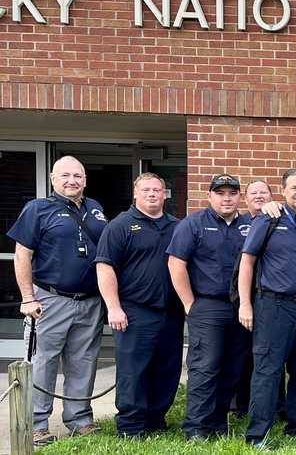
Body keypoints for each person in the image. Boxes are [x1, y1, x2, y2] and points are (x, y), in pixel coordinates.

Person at [7, 156, 107, 446]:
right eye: (65, 175)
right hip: (51, 300)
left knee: (84, 361)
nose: (71, 180)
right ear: (53, 179)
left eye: (77, 175)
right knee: (44, 362)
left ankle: (79, 419)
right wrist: (27, 297)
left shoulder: (96, 209)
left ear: (85, 180)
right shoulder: (38, 209)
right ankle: (36, 424)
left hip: (90, 301)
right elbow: (22, 254)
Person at [238, 168, 296, 447]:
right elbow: (247, 261)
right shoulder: (269, 218)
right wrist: (245, 304)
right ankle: (257, 435)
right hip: (274, 306)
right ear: (284, 191)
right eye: (294, 188)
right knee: (268, 371)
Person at [94, 172, 182, 438]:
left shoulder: (177, 226)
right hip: (134, 311)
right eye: (146, 190)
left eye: (157, 190)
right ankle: (131, 427)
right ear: (135, 193)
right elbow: (104, 266)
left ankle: (156, 421)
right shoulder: (120, 225)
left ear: (164, 194)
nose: (152, 194)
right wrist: (114, 307)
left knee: (167, 368)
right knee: (134, 372)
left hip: (172, 312)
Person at [167, 174, 253, 440]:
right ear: (209, 196)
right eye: (220, 193)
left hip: (240, 308)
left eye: (232, 193)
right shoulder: (193, 224)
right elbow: (176, 264)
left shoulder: (250, 224)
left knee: (233, 367)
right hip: (207, 306)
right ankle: (196, 427)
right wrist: (189, 304)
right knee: (205, 368)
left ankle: (218, 422)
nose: (226, 198)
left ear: (240, 196)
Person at [232, 178, 273, 418]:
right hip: (244, 299)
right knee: (243, 355)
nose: (259, 196)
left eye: (263, 192)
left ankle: (275, 405)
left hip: (270, 300)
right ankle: (240, 405)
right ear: (245, 199)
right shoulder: (240, 224)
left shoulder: (278, 220)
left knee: (270, 357)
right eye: (253, 193)